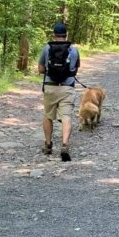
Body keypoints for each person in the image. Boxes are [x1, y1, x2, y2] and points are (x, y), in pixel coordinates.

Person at [38, 21, 80, 161]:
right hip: (67, 87)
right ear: (66, 35)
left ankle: (48, 144)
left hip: (50, 87)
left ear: (54, 34)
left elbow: (40, 69)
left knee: (48, 115)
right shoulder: (73, 50)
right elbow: (75, 69)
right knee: (66, 116)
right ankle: (64, 145)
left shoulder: (47, 49)